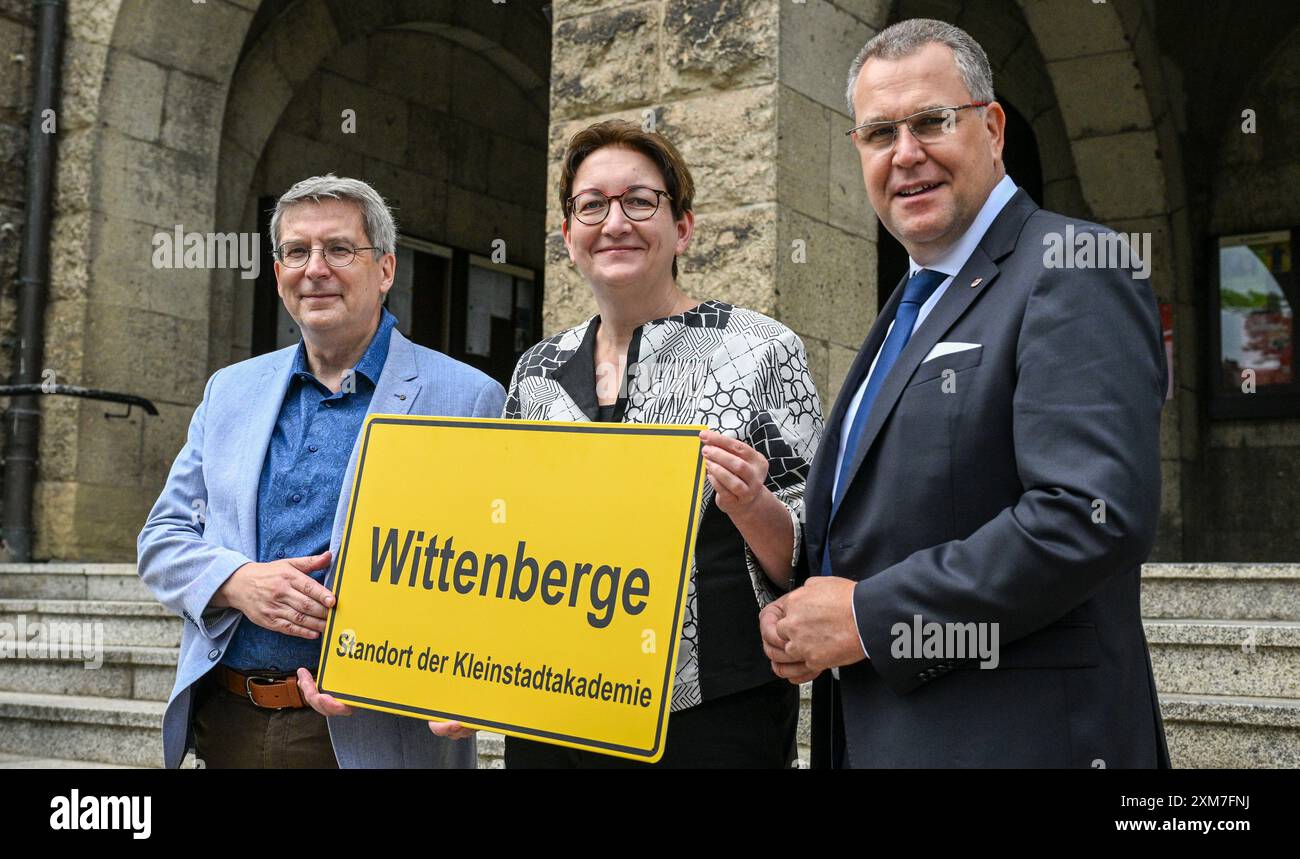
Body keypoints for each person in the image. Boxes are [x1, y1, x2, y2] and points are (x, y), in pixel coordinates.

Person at [761, 19, 1171, 768]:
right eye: (879, 133)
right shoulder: (909, 304)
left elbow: (1088, 516)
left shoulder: (1075, 266)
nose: (905, 153)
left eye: (931, 121)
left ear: (993, 128)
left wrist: (868, 617)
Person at [138, 175, 502, 768]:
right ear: (278, 271)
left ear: (385, 270)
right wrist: (238, 582)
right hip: (227, 720)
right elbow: (161, 540)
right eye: (296, 251)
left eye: (338, 249)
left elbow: (493, 574)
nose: (315, 269)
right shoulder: (230, 390)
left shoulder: (467, 397)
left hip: (375, 733)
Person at [501, 119, 823, 768]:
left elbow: (814, 556)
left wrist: (751, 504)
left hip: (713, 716)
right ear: (567, 236)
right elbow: (501, 542)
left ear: (683, 228)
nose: (615, 222)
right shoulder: (537, 370)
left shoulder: (760, 349)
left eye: (640, 201)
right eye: (592, 205)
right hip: (552, 706)